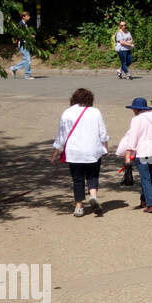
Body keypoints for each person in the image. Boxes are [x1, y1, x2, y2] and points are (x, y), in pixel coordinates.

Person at [51, 88, 110, 216]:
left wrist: (55, 151)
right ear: (90, 99)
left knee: (77, 179)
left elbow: (61, 135)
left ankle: (79, 207)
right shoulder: (95, 112)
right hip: (93, 150)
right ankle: (93, 196)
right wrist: (105, 147)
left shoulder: (67, 113)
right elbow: (103, 133)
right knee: (93, 175)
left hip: (74, 152)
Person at [116, 97, 152, 212]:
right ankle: (144, 200)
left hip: (143, 152)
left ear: (136, 109)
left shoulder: (136, 120)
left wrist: (128, 154)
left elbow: (133, 138)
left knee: (145, 177)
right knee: (148, 176)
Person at [9, 11, 33, 79]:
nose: (29, 17)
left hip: (25, 42)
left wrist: (30, 35)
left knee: (27, 59)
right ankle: (27, 75)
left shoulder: (24, 24)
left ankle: (14, 68)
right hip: (22, 43)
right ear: (23, 17)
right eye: (28, 16)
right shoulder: (20, 24)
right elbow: (19, 34)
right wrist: (28, 36)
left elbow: (25, 33)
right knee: (27, 59)